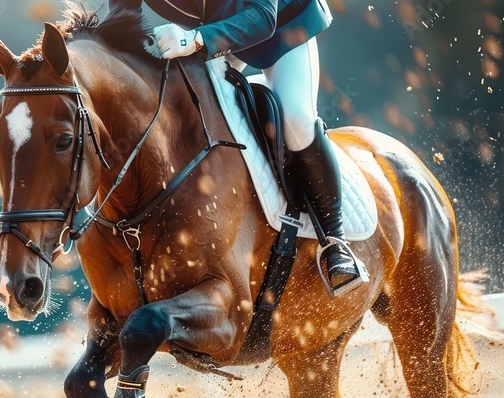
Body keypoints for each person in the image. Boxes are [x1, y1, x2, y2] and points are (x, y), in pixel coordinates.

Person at [106, 0, 365, 394]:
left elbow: (263, 18)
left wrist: (194, 39)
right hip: (210, 36)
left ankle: (334, 241)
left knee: (294, 120)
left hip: (281, 30)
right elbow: (122, 17)